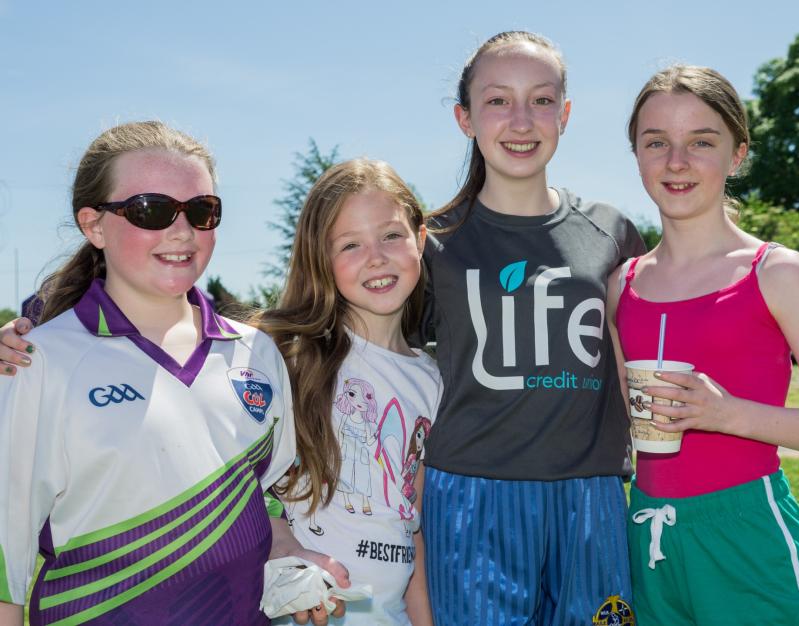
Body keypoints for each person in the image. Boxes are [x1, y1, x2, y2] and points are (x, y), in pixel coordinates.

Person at [0, 121, 343, 626]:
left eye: (202, 211)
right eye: (151, 210)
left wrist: (296, 565)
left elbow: (261, 507)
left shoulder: (257, 355)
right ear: (94, 226)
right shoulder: (37, 362)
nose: (182, 232)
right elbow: (7, 564)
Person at [417, 31, 645, 625]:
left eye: (541, 100)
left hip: (591, 499)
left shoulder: (611, 233)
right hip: (471, 501)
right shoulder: (430, 242)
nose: (521, 120)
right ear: (465, 118)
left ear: (564, 115)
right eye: (497, 101)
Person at [607, 65, 799, 625]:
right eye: (656, 142)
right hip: (647, 534)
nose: (676, 162)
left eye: (701, 142)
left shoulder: (776, 272)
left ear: (737, 154)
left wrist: (725, 413)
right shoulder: (621, 284)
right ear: (636, 154)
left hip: (746, 530)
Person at [251, 158, 441, 625]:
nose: (376, 257)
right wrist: (286, 547)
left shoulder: (435, 378)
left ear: (420, 240)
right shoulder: (284, 355)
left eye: (391, 235)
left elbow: (413, 525)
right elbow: (240, 488)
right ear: (321, 258)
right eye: (351, 244)